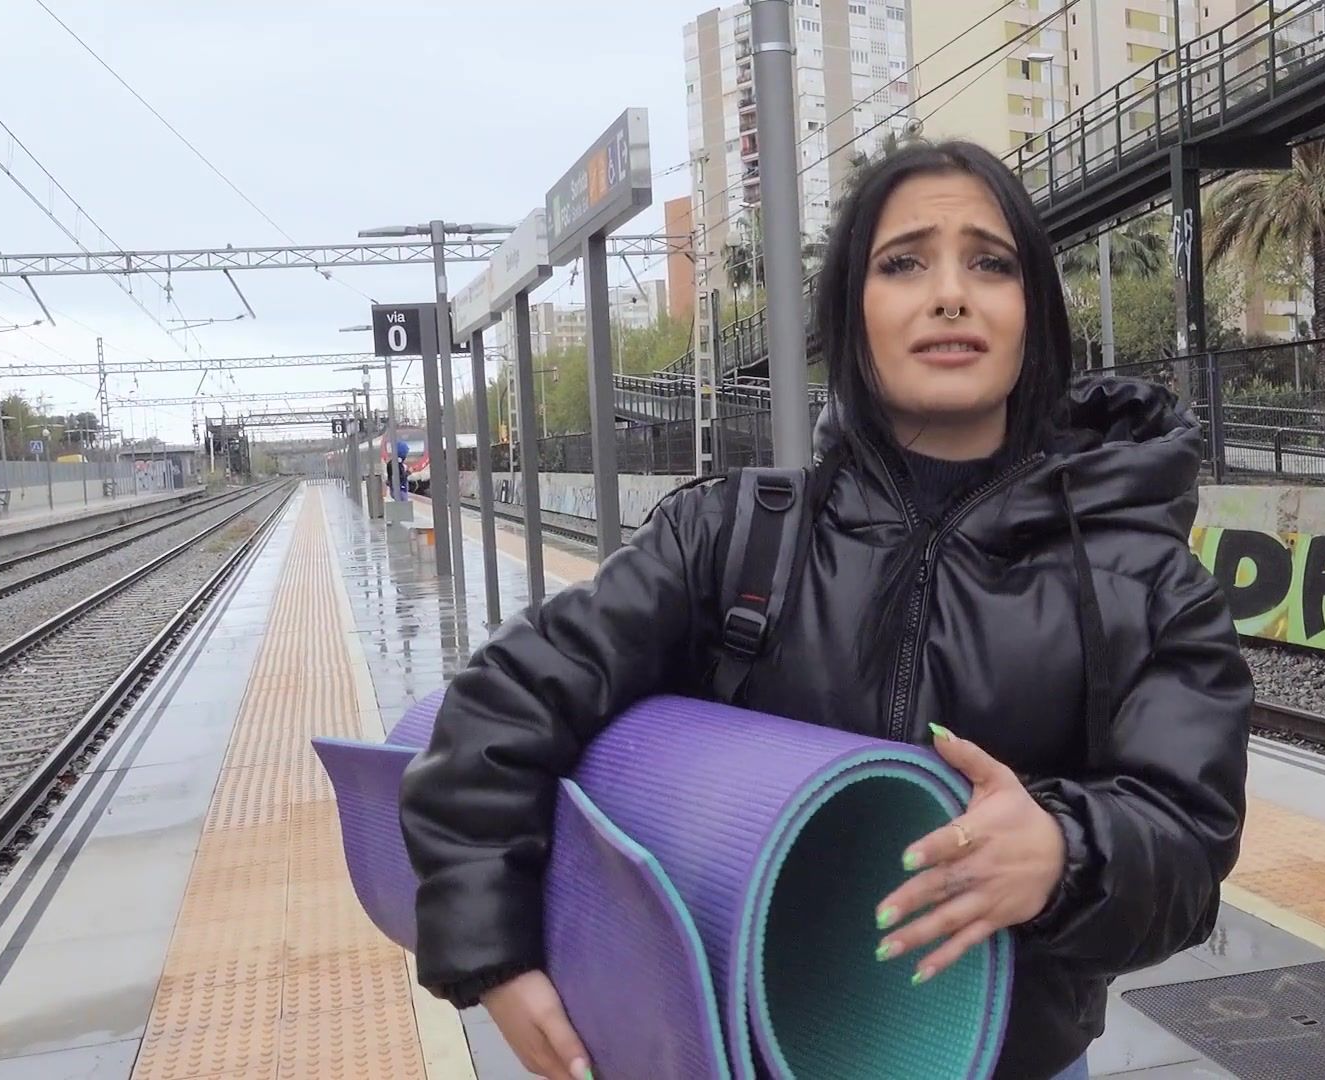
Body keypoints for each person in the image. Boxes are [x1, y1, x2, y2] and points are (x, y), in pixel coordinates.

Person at [399, 138, 1253, 1080]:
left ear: (1034, 314)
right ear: (852, 313)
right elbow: (505, 702)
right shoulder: (730, 539)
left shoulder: (1147, 580)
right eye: (903, 263)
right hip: (748, 1054)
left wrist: (1065, 851)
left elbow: (1191, 842)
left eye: (991, 264)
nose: (950, 294)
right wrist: (497, 954)